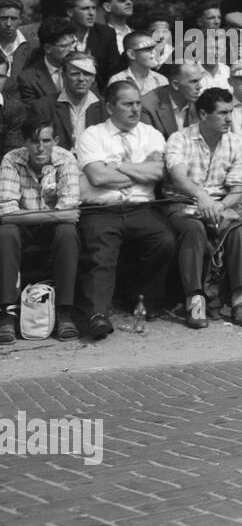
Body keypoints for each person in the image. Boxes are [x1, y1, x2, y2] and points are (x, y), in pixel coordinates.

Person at [74, 81, 177, 340]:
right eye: (127, 104)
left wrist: (117, 166)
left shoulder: (151, 134)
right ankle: (97, 315)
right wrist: (138, 170)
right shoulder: (92, 135)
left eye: (138, 103)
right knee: (101, 253)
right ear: (109, 107)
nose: (135, 110)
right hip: (101, 210)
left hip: (141, 208)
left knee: (163, 241)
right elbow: (97, 177)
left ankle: (141, 299)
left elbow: (157, 173)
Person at [162, 87, 242, 330]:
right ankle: (195, 299)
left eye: (230, 112)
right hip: (183, 203)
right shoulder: (179, 139)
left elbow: (238, 189)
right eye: (222, 113)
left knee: (238, 230)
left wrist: (219, 206)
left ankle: (238, 299)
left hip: (221, 204)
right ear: (203, 114)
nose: (228, 118)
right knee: (193, 229)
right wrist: (201, 196)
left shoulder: (236, 143)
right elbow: (179, 178)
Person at [0, 116, 82, 343]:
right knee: (5, 234)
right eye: (34, 141)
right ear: (25, 142)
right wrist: (56, 213)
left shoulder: (65, 159)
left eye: (46, 141)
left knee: (67, 233)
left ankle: (65, 312)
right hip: (21, 228)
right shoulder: (11, 159)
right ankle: (6, 313)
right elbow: (6, 214)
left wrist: (57, 215)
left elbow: (71, 212)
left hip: (50, 228)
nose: (40, 147)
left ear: (54, 140)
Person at [32, 53, 103, 151]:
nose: (81, 79)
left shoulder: (105, 107)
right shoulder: (43, 107)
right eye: (75, 74)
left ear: (93, 78)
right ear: (63, 76)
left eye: (87, 74)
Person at [64, 0, 121, 92]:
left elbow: (114, 72)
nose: (91, 13)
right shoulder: (60, 34)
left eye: (93, 8)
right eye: (85, 9)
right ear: (70, 12)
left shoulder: (106, 33)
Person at [18, 18, 78, 105]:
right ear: (48, 48)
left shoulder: (83, 68)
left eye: (73, 43)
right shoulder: (28, 79)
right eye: (64, 46)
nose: (72, 49)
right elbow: (33, 113)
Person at [142, 62, 204, 139]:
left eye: (199, 81)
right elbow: (148, 146)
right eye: (193, 82)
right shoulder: (148, 106)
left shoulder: (200, 104)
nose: (200, 86)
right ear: (175, 85)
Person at [109, 30, 168, 97]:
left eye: (155, 48)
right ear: (132, 54)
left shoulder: (161, 80)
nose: (154, 52)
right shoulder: (117, 80)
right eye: (148, 49)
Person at [0, 0, 31, 82]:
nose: (8, 24)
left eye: (13, 19)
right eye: (4, 18)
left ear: (20, 20)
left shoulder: (32, 49)